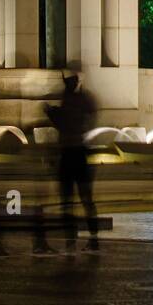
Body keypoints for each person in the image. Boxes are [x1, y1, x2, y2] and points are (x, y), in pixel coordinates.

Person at [44, 74, 101, 253]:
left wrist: (51, 113)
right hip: (79, 153)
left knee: (68, 200)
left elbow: (63, 123)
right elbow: (88, 115)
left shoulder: (69, 101)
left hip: (69, 154)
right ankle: (92, 239)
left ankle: (71, 240)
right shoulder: (82, 100)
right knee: (85, 199)